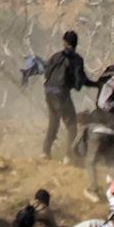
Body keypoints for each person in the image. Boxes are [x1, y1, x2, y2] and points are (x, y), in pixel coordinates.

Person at [43, 30, 91, 158]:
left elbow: (46, 73)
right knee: (71, 124)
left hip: (49, 91)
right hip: (61, 93)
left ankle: (45, 152)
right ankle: (69, 156)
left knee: (54, 122)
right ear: (76, 43)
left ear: (64, 42)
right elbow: (79, 80)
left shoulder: (55, 56)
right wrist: (92, 84)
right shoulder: (77, 59)